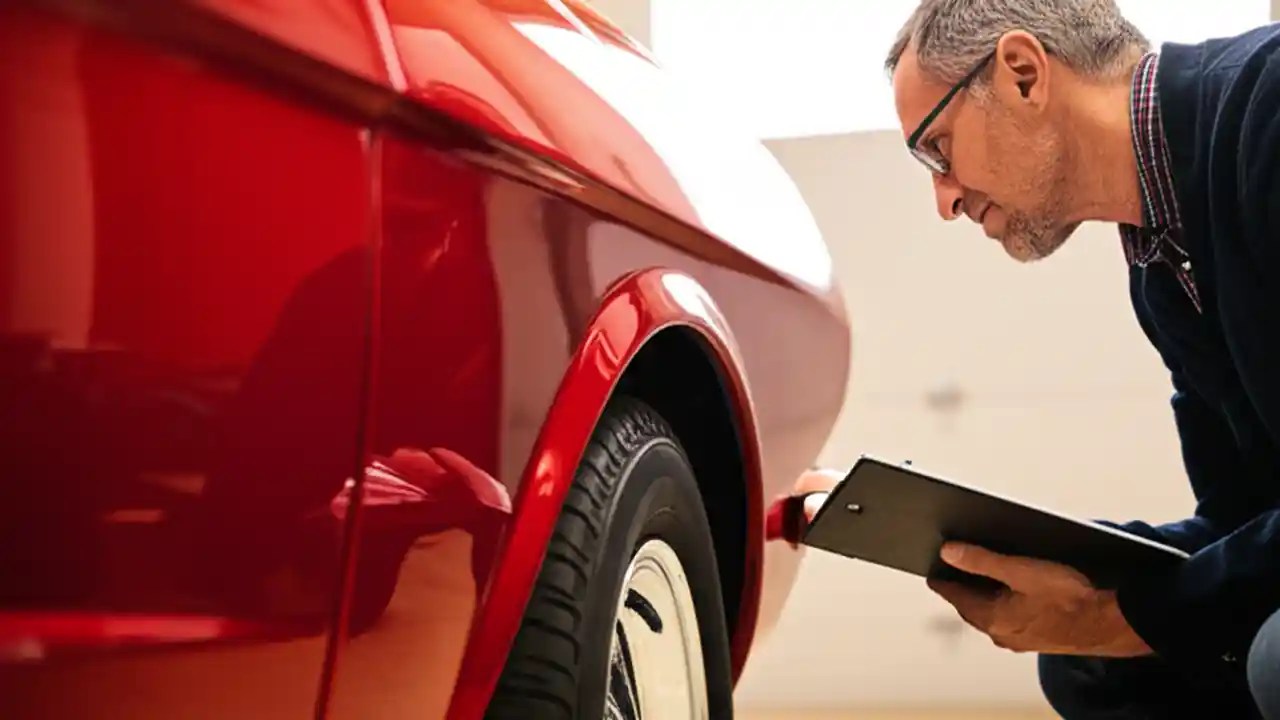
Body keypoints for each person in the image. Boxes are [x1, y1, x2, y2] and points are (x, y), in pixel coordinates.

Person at [787, 1, 1280, 717]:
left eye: (938, 150)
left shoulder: (1267, 110)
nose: (944, 201)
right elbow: (1241, 521)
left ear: (1022, 74)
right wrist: (1052, 562)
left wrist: (1127, 615)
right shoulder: (1161, 271)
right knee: (1087, 669)